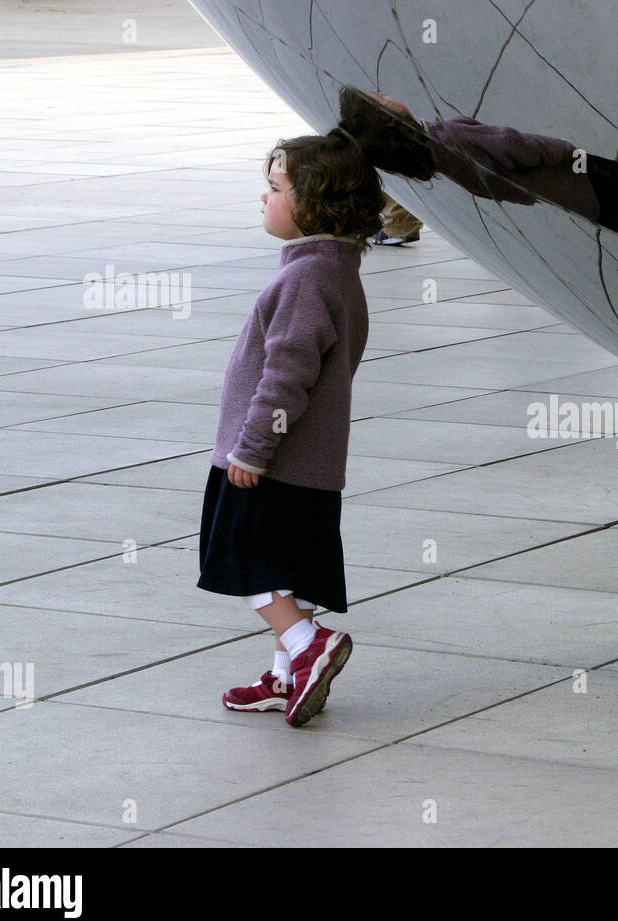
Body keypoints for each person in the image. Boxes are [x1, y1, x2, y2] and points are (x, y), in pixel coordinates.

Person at [196, 102, 386, 726]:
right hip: (309, 465)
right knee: (288, 571)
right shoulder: (334, 270)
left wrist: (251, 450)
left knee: (244, 558)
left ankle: (310, 646)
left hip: (273, 461)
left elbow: (286, 379)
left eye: (276, 189)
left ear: (315, 203)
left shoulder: (307, 278)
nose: (264, 198)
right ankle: (285, 676)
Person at [348, 87, 618, 248]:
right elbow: (514, 144)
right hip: (566, 170)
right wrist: (561, 150)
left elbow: (490, 186)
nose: (387, 94)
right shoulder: (448, 134)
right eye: (381, 98)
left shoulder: (433, 160)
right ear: (391, 117)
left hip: (557, 194)